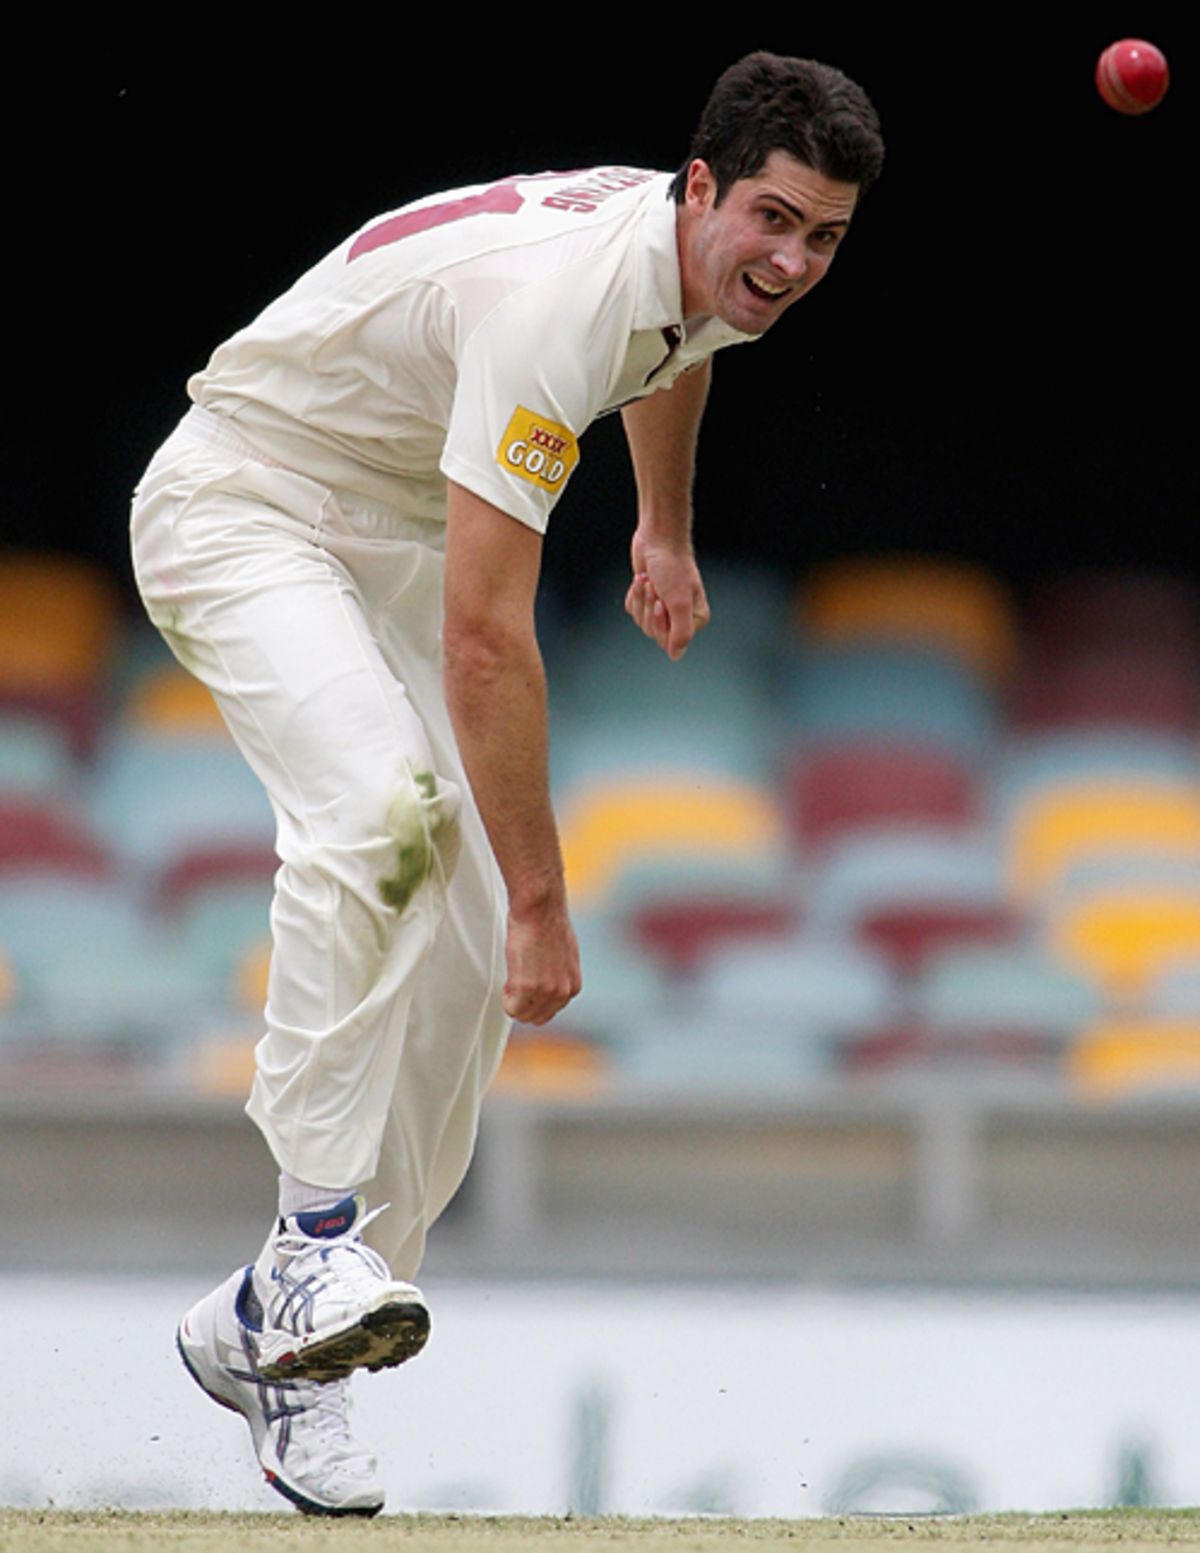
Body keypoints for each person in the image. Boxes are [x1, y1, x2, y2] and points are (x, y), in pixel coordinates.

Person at [130, 50, 884, 1516]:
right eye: (774, 221)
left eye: (826, 239)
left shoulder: (690, 261)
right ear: (703, 186)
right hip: (245, 501)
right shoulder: (559, 304)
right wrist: (545, 898)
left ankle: (293, 1344)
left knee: (468, 953)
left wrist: (663, 524)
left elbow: (674, 351)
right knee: (384, 823)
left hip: (391, 529)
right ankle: (310, 1243)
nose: (793, 263)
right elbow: (486, 641)